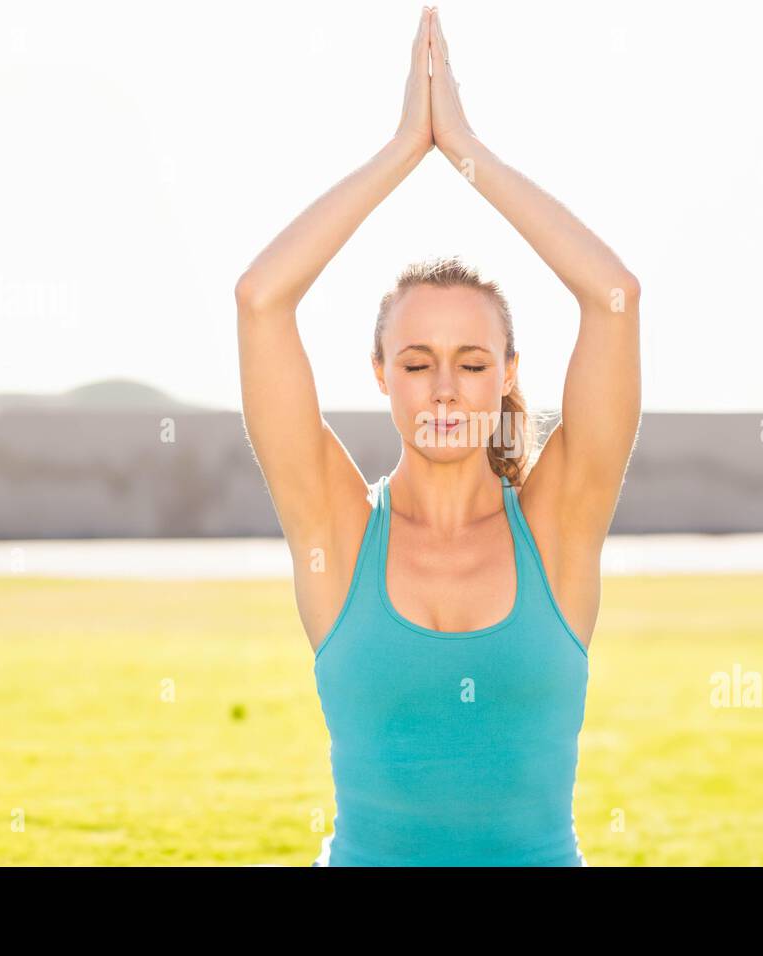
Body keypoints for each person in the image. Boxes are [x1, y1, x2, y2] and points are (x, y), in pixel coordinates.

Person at [235, 6, 640, 866]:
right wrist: (401, 150)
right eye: (417, 363)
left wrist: (463, 149)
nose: (446, 388)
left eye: (471, 360)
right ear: (380, 374)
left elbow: (615, 297)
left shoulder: (558, 529)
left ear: (507, 373)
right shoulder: (339, 532)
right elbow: (260, 298)